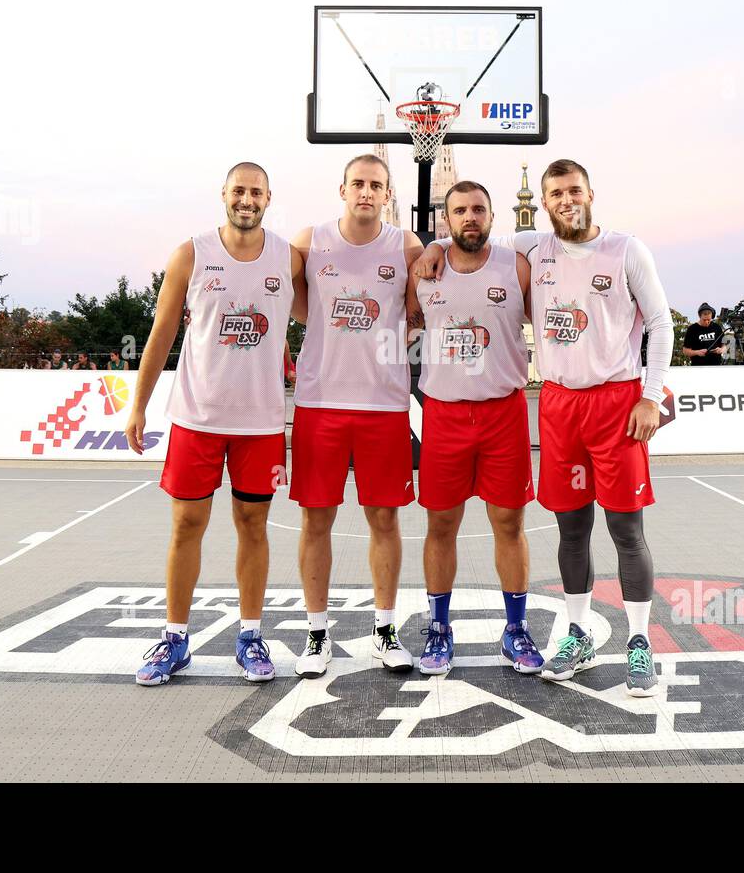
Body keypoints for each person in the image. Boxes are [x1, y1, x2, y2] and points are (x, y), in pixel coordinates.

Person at [414, 158, 673, 698]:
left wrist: (652, 395)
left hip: (617, 402)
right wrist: (435, 246)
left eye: (573, 191)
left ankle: (640, 642)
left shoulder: (627, 249)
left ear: (590, 193)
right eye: (555, 194)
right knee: (570, 528)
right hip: (557, 405)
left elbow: (660, 321)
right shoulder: (533, 249)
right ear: (545, 202)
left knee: (626, 530)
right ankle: (576, 632)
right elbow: (473, 236)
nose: (565, 201)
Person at [125, 162, 304, 686]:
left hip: (261, 421)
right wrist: (139, 405)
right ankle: (176, 639)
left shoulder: (287, 257)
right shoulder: (191, 254)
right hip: (197, 418)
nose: (246, 199)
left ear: (269, 197)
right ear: (223, 195)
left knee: (253, 527)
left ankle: (250, 636)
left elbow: (331, 307)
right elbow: (160, 335)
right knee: (187, 525)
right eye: (238, 191)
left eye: (256, 192)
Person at [288, 154, 425, 678]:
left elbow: (420, 306)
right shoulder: (310, 241)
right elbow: (296, 305)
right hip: (320, 402)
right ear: (341, 189)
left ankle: (385, 630)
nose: (367, 192)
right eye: (358, 184)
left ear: (387, 194)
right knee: (315, 519)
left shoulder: (406, 245)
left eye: (376, 185)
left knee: (384, 518)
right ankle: (317, 633)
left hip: (383, 403)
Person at [405, 180, 542, 676]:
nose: (470, 217)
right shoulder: (422, 271)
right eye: (460, 210)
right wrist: (431, 249)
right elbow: (397, 321)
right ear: (446, 218)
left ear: (491, 216)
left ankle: (516, 628)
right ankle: (439, 629)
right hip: (443, 413)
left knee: (509, 523)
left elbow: (552, 318)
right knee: (441, 524)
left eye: (479, 209)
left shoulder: (515, 266)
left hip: (503, 412)